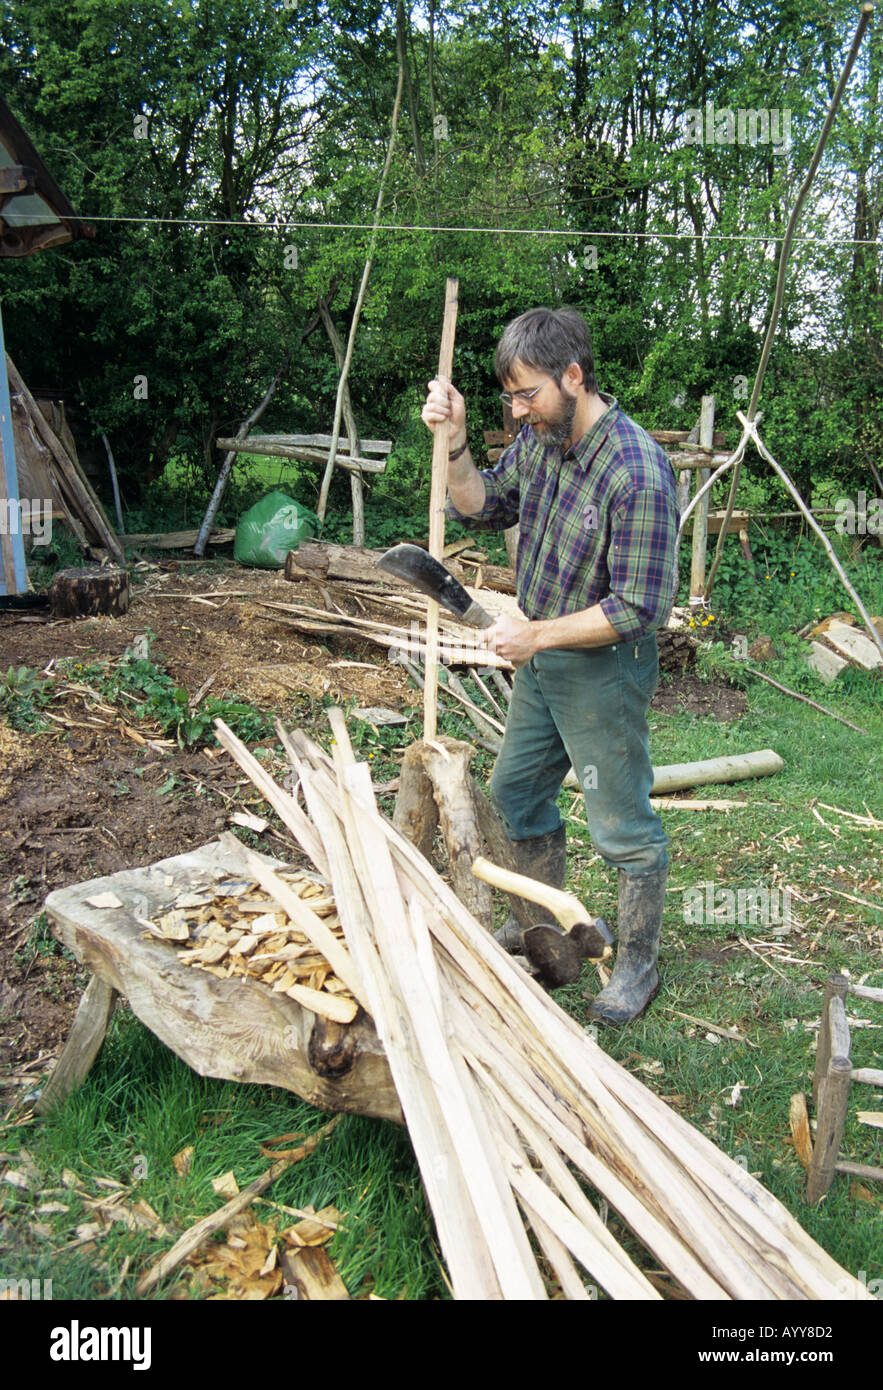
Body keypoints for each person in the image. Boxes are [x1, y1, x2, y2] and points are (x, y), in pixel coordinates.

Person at [420, 306, 680, 1025]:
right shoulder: (540, 442)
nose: (518, 410)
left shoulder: (636, 472)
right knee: (515, 795)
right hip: (542, 664)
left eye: (528, 393)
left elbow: (639, 607)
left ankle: (635, 965)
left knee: (621, 825)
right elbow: (480, 505)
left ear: (573, 376)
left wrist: (535, 635)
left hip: (604, 667)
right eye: (507, 396)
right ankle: (543, 927)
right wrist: (456, 440)